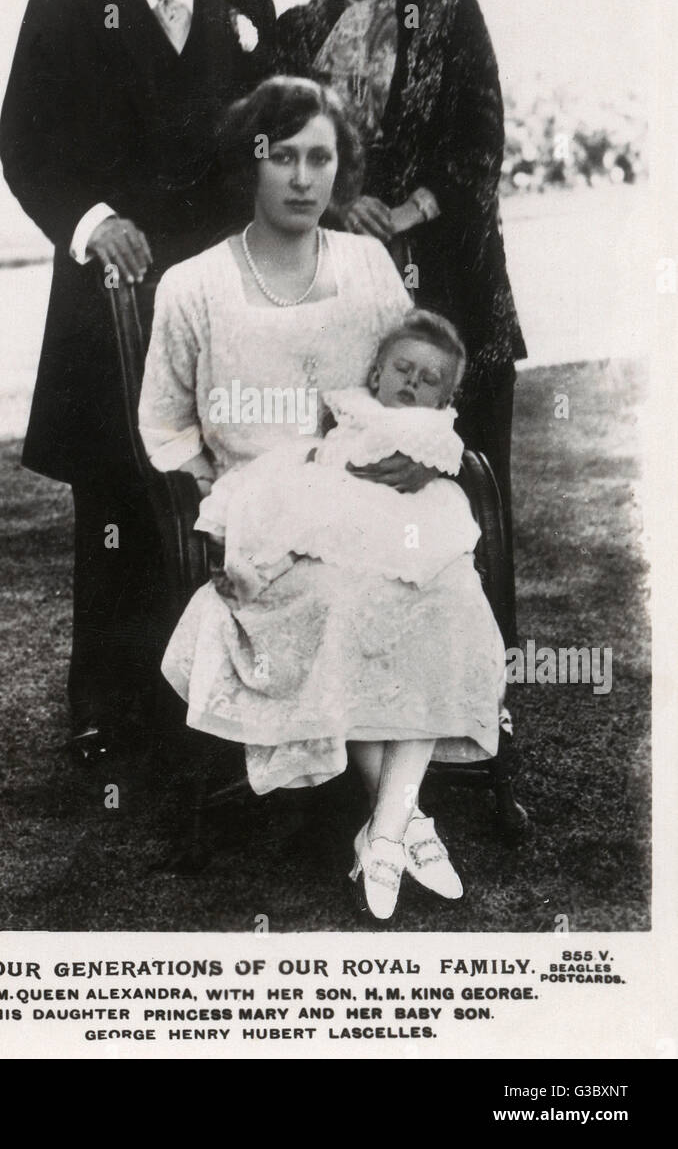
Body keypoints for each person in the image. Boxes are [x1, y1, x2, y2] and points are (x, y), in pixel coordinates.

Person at [138, 77, 505, 921]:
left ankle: (384, 826)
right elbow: (164, 426)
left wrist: (420, 457)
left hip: (366, 498)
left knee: (443, 586)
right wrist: (224, 506)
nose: (304, 179)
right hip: (269, 519)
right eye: (285, 158)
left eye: (322, 158)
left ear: (341, 168)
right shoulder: (193, 286)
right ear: (251, 162)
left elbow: (415, 387)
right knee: (342, 594)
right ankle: (403, 821)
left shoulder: (369, 264)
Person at [0, 0, 275, 761]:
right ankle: (105, 711)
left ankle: (213, 704)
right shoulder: (66, 0)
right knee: (117, 497)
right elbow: (24, 149)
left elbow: (268, 146)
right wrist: (91, 222)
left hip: (219, 304)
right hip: (106, 299)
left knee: (217, 488)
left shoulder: (248, 2)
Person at [274, 0, 526, 639]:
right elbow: (283, 155)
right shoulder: (297, 28)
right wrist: (343, 210)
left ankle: (486, 695)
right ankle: (377, 692)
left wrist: (404, 212)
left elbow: (480, 147)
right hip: (346, 295)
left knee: (465, 481)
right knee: (364, 487)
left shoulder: (450, 8)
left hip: (452, 286)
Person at [196, 310, 483, 598]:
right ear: (376, 376)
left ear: (442, 402)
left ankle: (262, 569)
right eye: (403, 369)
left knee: (319, 521)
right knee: (287, 500)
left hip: (393, 504)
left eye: (429, 379)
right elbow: (342, 441)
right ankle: (254, 564)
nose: (412, 382)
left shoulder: (430, 424)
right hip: (340, 485)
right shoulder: (359, 406)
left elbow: (444, 450)